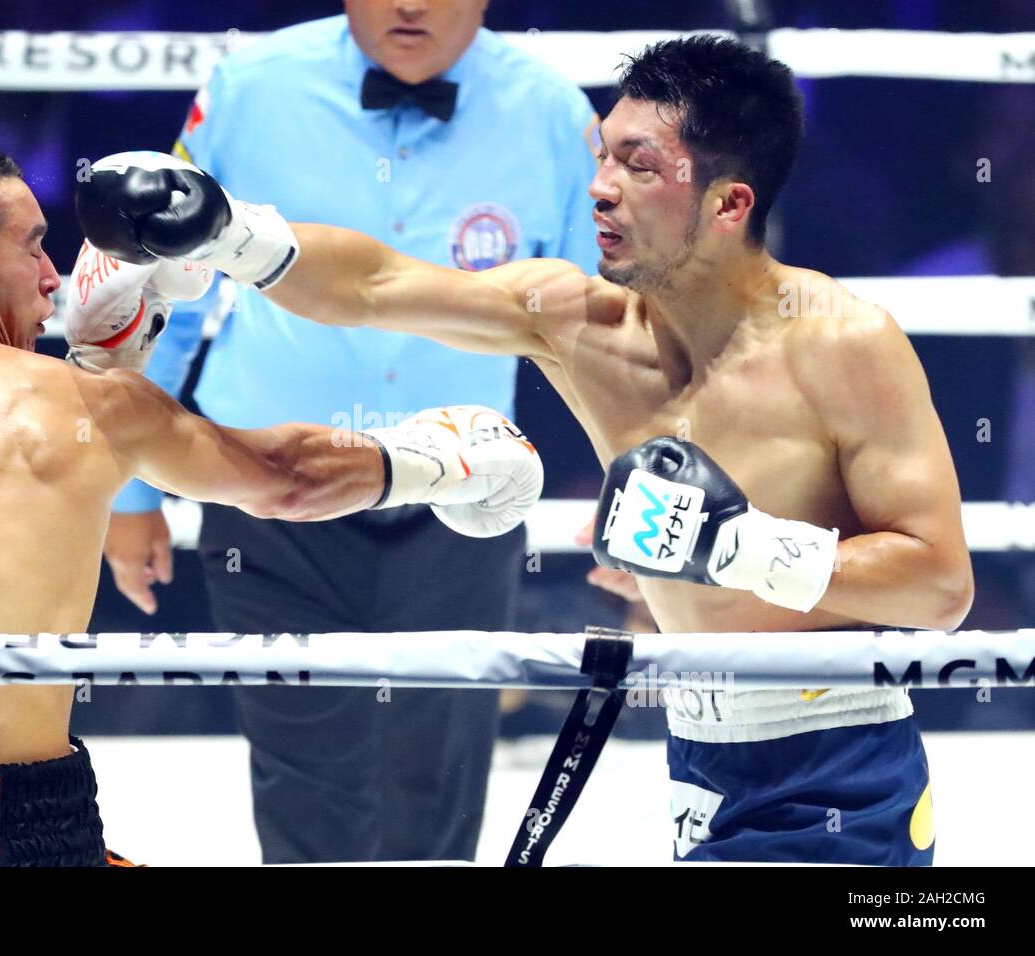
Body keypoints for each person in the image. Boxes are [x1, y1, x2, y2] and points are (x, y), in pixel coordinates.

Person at [86, 34, 975, 864]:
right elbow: (376, 284)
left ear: (729, 203)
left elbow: (940, 586)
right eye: (603, 154)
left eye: (638, 164)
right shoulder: (578, 323)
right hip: (700, 752)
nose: (600, 185)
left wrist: (740, 549)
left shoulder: (839, 343)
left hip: (841, 762)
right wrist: (229, 231)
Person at [0, 140, 541, 867]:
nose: (52, 277)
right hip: (16, 825)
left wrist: (105, 363)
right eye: (32, 247)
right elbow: (285, 478)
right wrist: (439, 461)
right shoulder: (81, 407)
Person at [95, 0, 599, 864]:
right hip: (259, 477)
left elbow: (602, 334)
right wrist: (130, 489)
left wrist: (628, 481)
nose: (411, 4)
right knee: (300, 767)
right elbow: (155, 291)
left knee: (438, 771)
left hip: (460, 486)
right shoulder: (248, 85)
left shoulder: (554, 111)